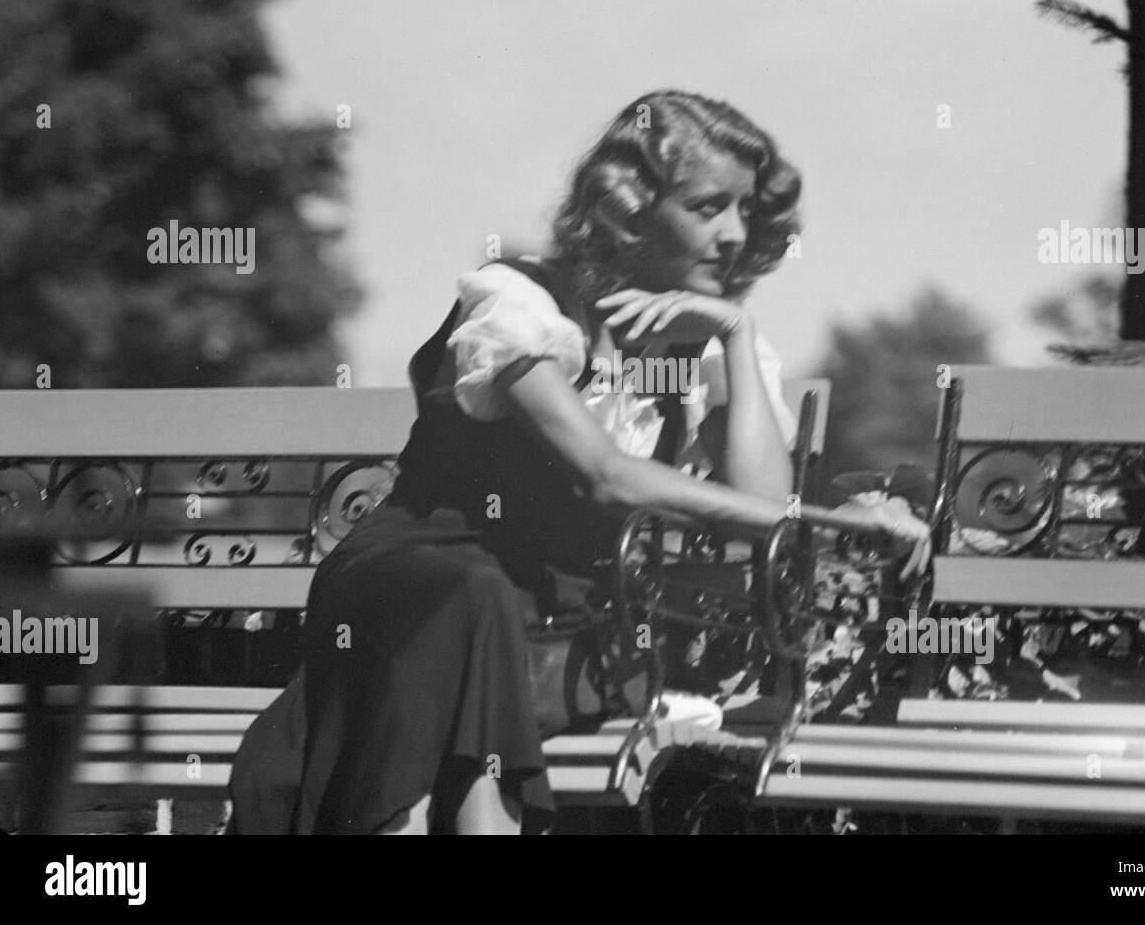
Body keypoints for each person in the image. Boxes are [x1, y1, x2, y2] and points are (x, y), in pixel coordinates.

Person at [228, 89, 931, 835]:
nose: (732, 233)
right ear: (629, 208)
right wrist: (822, 520)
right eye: (705, 207)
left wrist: (733, 335)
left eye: (743, 211)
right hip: (410, 584)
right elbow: (606, 473)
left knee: (489, 615)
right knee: (475, 596)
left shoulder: (707, 349)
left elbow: (762, 510)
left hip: (558, 627)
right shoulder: (522, 307)